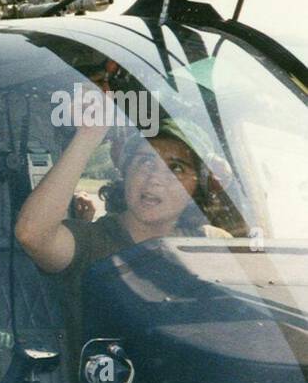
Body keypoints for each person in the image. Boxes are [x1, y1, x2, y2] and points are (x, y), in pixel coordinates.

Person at [15, 115, 231, 345]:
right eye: (146, 162)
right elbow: (32, 234)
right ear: (126, 169)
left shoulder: (212, 244)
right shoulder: (91, 241)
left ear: (196, 186)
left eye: (176, 168)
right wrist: (88, 135)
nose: (155, 178)